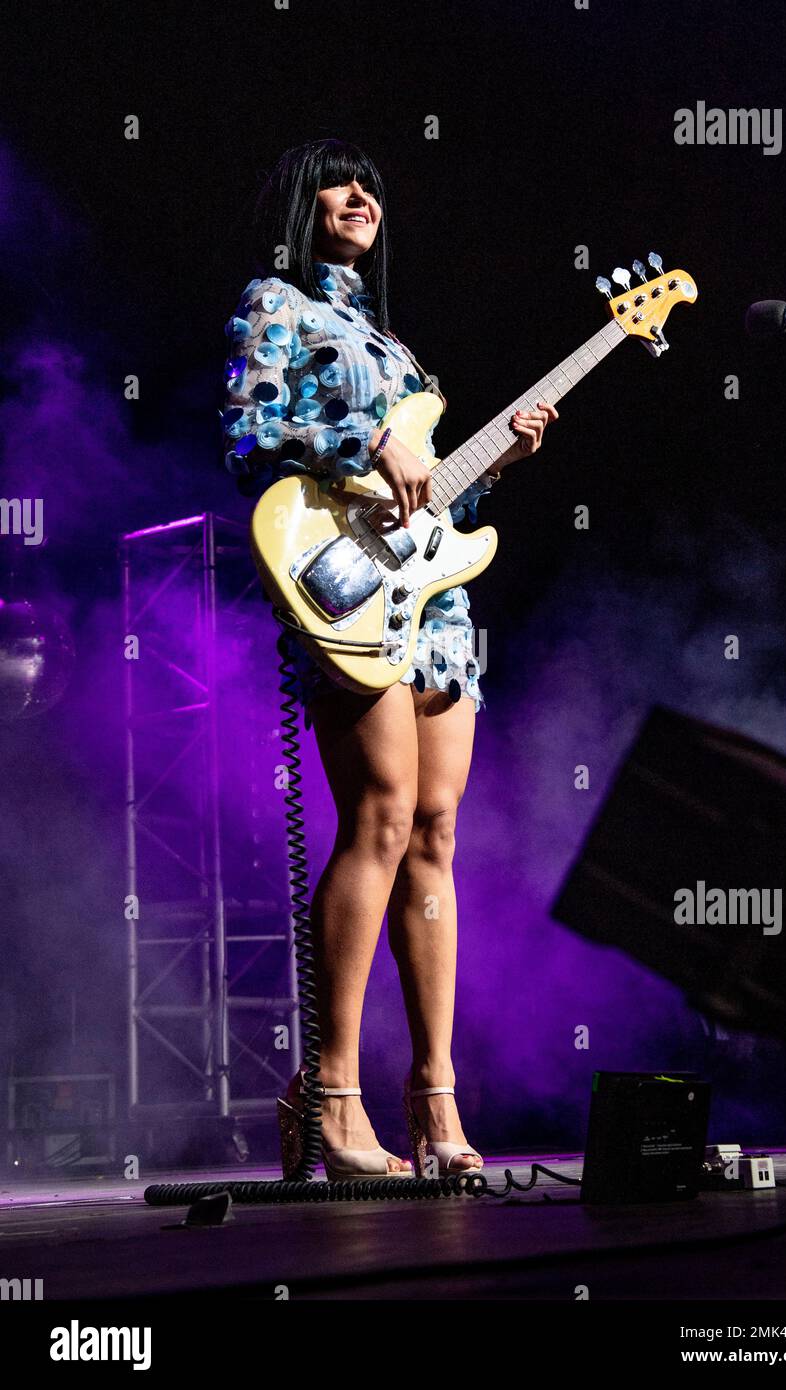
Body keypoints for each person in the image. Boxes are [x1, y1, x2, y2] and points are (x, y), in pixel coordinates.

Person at [222, 138, 558, 1179]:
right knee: (375, 817)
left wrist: (494, 457)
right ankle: (329, 1091)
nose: (362, 196)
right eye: (338, 180)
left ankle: (436, 1101)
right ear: (296, 201)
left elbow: (428, 500)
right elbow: (248, 433)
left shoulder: (393, 344)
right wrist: (365, 442)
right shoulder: (274, 305)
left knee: (436, 834)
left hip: (436, 603)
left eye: (371, 183)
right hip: (349, 594)